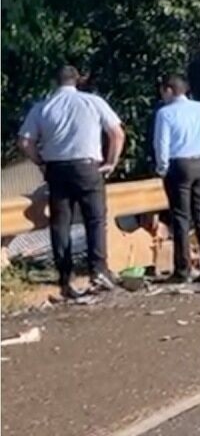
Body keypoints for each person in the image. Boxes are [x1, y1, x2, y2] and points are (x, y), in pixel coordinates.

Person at [17, 65, 126, 299]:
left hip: (56, 169)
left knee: (60, 224)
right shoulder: (93, 102)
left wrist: (40, 162)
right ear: (78, 80)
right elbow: (117, 133)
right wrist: (111, 162)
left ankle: (65, 278)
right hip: (87, 167)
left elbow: (25, 142)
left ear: (55, 82)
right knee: (95, 220)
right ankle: (98, 271)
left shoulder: (42, 107)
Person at [154, 74, 200, 283]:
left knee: (181, 218)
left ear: (169, 90)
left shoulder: (165, 113)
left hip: (179, 165)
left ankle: (182, 269)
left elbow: (161, 144)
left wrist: (162, 168)